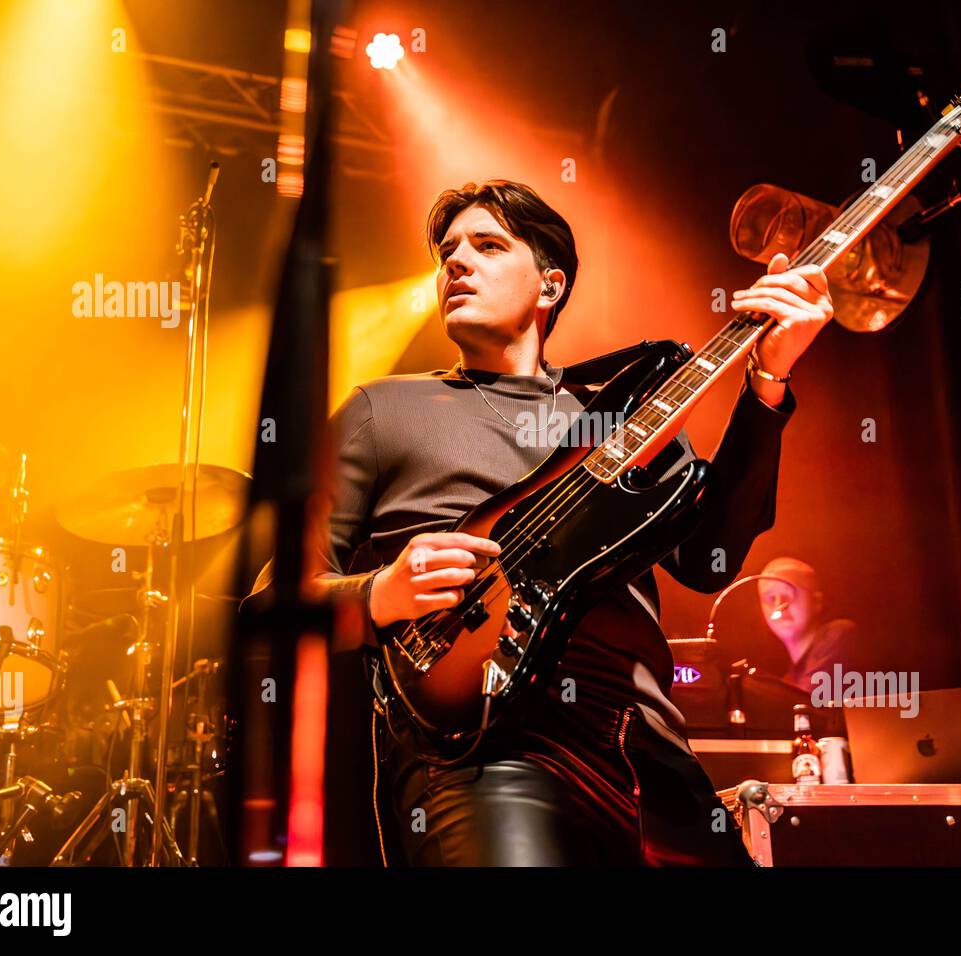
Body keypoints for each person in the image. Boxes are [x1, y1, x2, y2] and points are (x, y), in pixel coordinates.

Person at [278, 179, 833, 865]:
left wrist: (767, 383)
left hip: (649, 754)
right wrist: (380, 593)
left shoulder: (627, 414)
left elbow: (710, 560)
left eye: (486, 245)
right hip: (488, 749)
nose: (456, 262)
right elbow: (276, 600)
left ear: (550, 286)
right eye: (448, 250)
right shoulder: (380, 411)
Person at [756, 557, 858, 694]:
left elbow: (804, 702)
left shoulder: (839, 635)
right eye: (771, 598)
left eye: (788, 594)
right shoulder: (790, 680)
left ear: (816, 602)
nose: (779, 605)